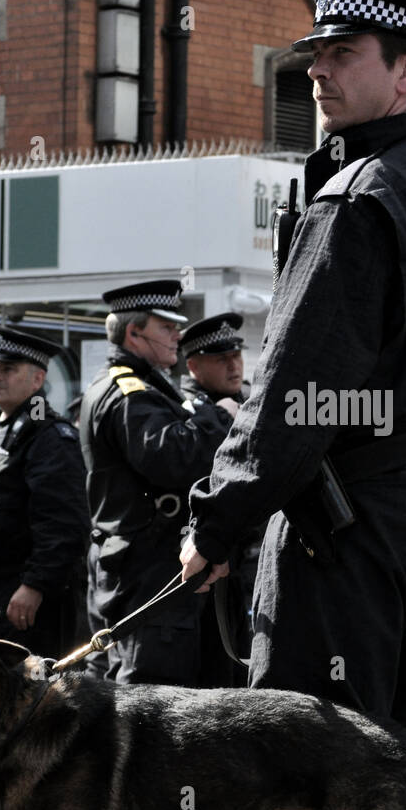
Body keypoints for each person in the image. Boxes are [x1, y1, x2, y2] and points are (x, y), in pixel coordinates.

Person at [179, 0, 406, 744]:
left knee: (313, 780)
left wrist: (216, 524)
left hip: (351, 521)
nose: (316, 70)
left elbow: (293, 390)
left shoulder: (358, 196)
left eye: (343, 53)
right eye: (316, 53)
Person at [79, 281, 230, 686]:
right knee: (149, 699)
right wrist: (218, 414)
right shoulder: (128, 392)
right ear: (134, 334)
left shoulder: (145, 386)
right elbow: (173, 458)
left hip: (139, 565)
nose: (177, 337)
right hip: (146, 570)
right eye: (166, 328)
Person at [0, 325, 89, 660]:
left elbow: (63, 525)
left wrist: (35, 586)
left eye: (8, 369)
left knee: (25, 697)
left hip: (22, 598)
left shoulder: (50, 437)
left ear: (38, 380)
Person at [179, 312, 257, 685]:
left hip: (249, 563)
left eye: (236, 356)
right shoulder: (186, 412)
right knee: (209, 674)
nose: (233, 365)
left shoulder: (254, 402)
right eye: (221, 359)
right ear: (194, 366)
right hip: (204, 560)